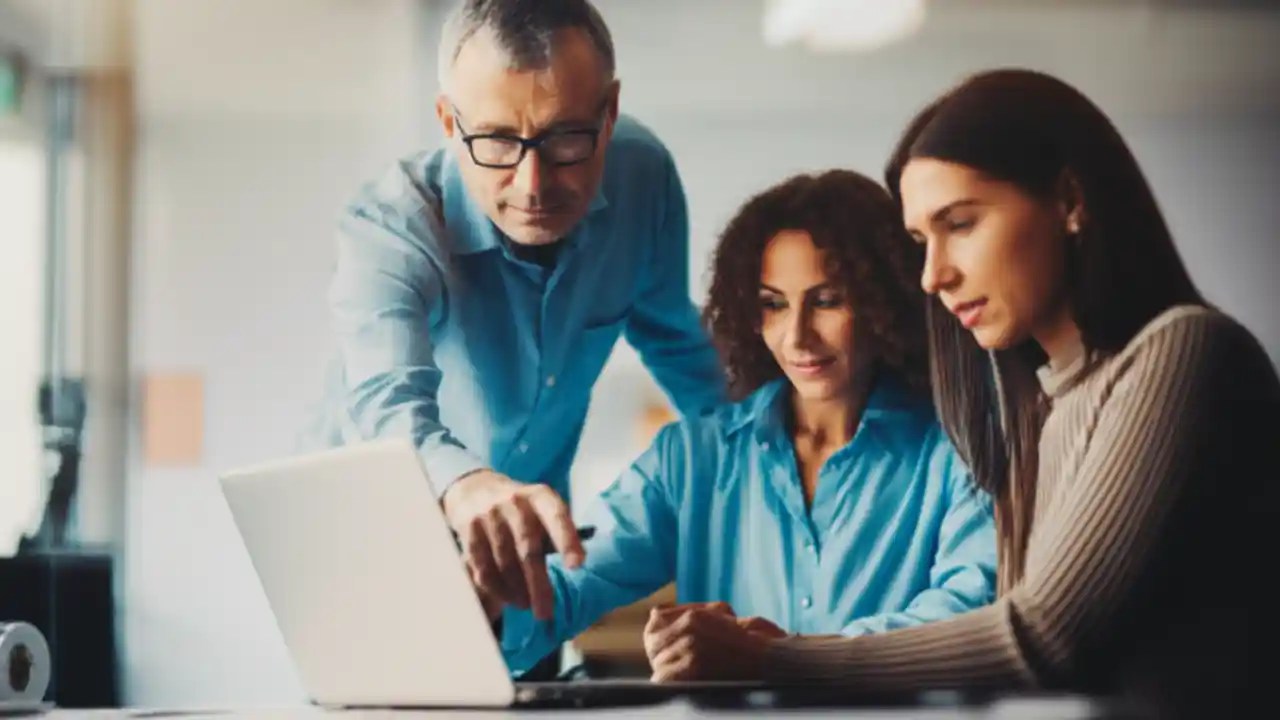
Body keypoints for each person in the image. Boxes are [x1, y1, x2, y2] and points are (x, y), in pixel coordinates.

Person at [639, 68, 1280, 717]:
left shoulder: (1185, 349)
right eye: (922, 241)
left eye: (962, 224)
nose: (933, 275)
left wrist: (773, 658)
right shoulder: (1039, 408)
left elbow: (1047, 637)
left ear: (1069, 200)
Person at [304, 0, 724, 650]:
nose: (532, 185)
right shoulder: (390, 227)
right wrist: (465, 483)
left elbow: (677, 341)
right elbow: (388, 405)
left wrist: (789, 443)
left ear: (609, 112)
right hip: (375, 545)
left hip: (532, 571)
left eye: (566, 140)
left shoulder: (643, 181)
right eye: (497, 141)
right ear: (450, 122)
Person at [483, 170, 996, 675]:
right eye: (773, 305)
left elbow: (966, 617)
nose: (797, 337)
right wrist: (488, 602)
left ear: (884, 303)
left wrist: (779, 656)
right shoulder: (692, 458)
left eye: (826, 301)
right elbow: (571, 585)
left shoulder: (956, 452)